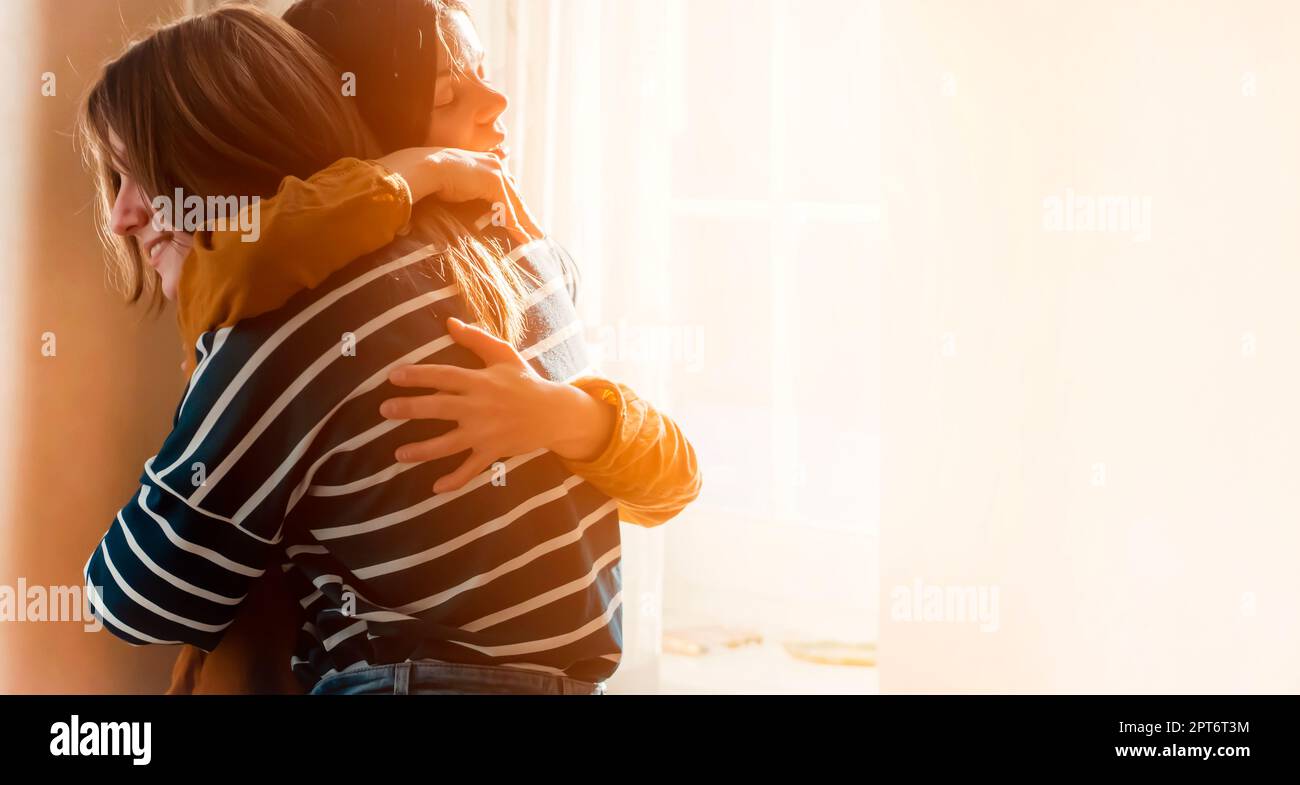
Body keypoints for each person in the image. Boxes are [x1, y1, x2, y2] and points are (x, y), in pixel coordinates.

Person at [78, 5, 674, 695]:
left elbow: (138, 594)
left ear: (222, 151)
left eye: (135, 174)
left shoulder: (293, 328)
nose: (122, 214)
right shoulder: (519, 255)